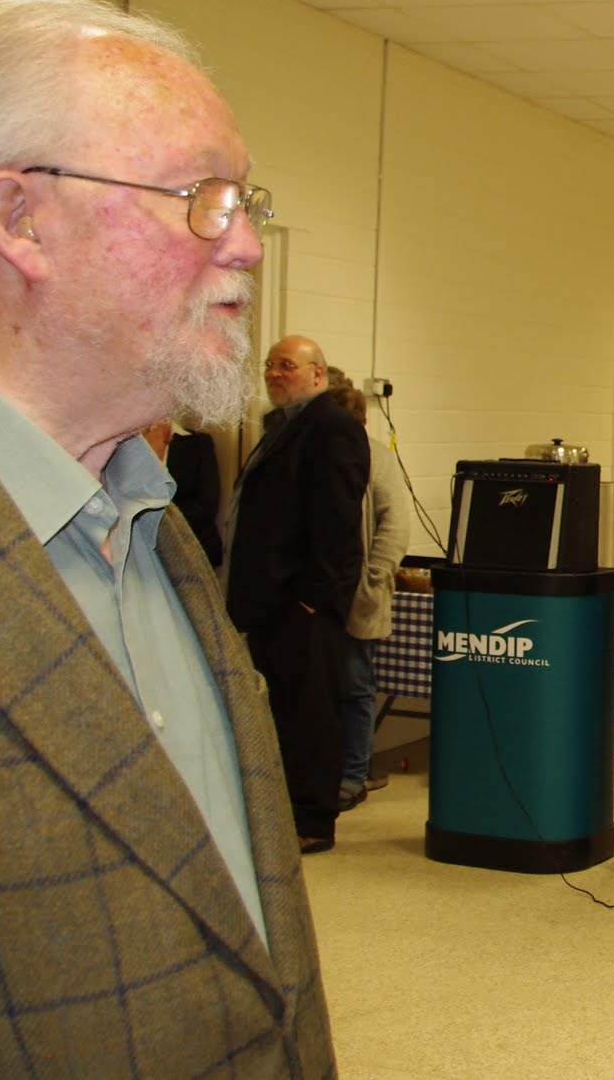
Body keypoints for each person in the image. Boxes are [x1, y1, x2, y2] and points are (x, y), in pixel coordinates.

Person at [0, 0, 333, 1074]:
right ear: (20, 220)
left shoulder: (148, 516)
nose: (246, 244)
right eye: (204, 197)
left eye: (245, 199)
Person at [226, 335, 369, 854]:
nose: (274, 373)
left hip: (304, 606)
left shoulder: (332, 428)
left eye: (287, 365)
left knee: (309, 714)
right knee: (280, 713)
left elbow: (337, 522)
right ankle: (281, 812)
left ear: (317, 374)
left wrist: (315, 599)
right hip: (270, 602)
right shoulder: (277, 427)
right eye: (269, 365)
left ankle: (311, 821)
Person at [326, 373, 413, 809]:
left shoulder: (378, 459)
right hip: (320, 595)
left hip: (358, 595)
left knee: (356, 686)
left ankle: (353, 774)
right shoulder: (312, 456)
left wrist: (374, 579)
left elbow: (396, 526)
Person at [144, 417, 225, 566]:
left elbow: (207, 506)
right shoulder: (130, 449)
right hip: (148, 554)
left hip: (193, 549)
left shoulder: (198, 444)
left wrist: (157, 514)